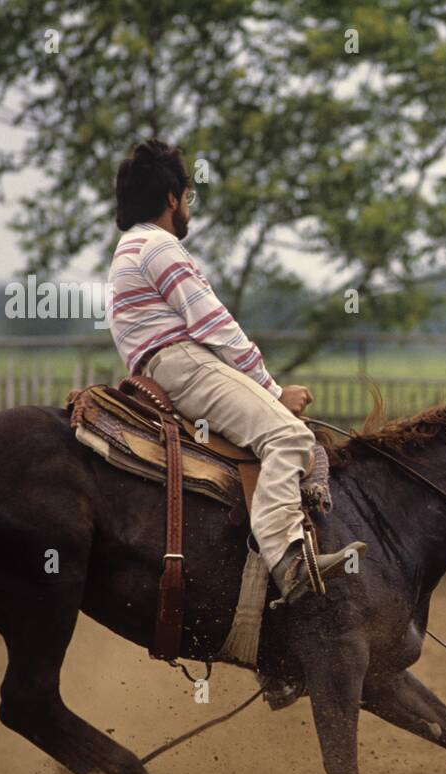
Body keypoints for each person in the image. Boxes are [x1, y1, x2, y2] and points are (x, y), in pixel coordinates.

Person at [107, 138, 364, 602]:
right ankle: (288, 562)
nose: (188, 207)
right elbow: (214, 324)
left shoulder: (129, 247)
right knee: (289, 436)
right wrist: (272, 390)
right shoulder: (159, 246)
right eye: (188, 197)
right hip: (182, 363)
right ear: (171, 198)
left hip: (162, 366)